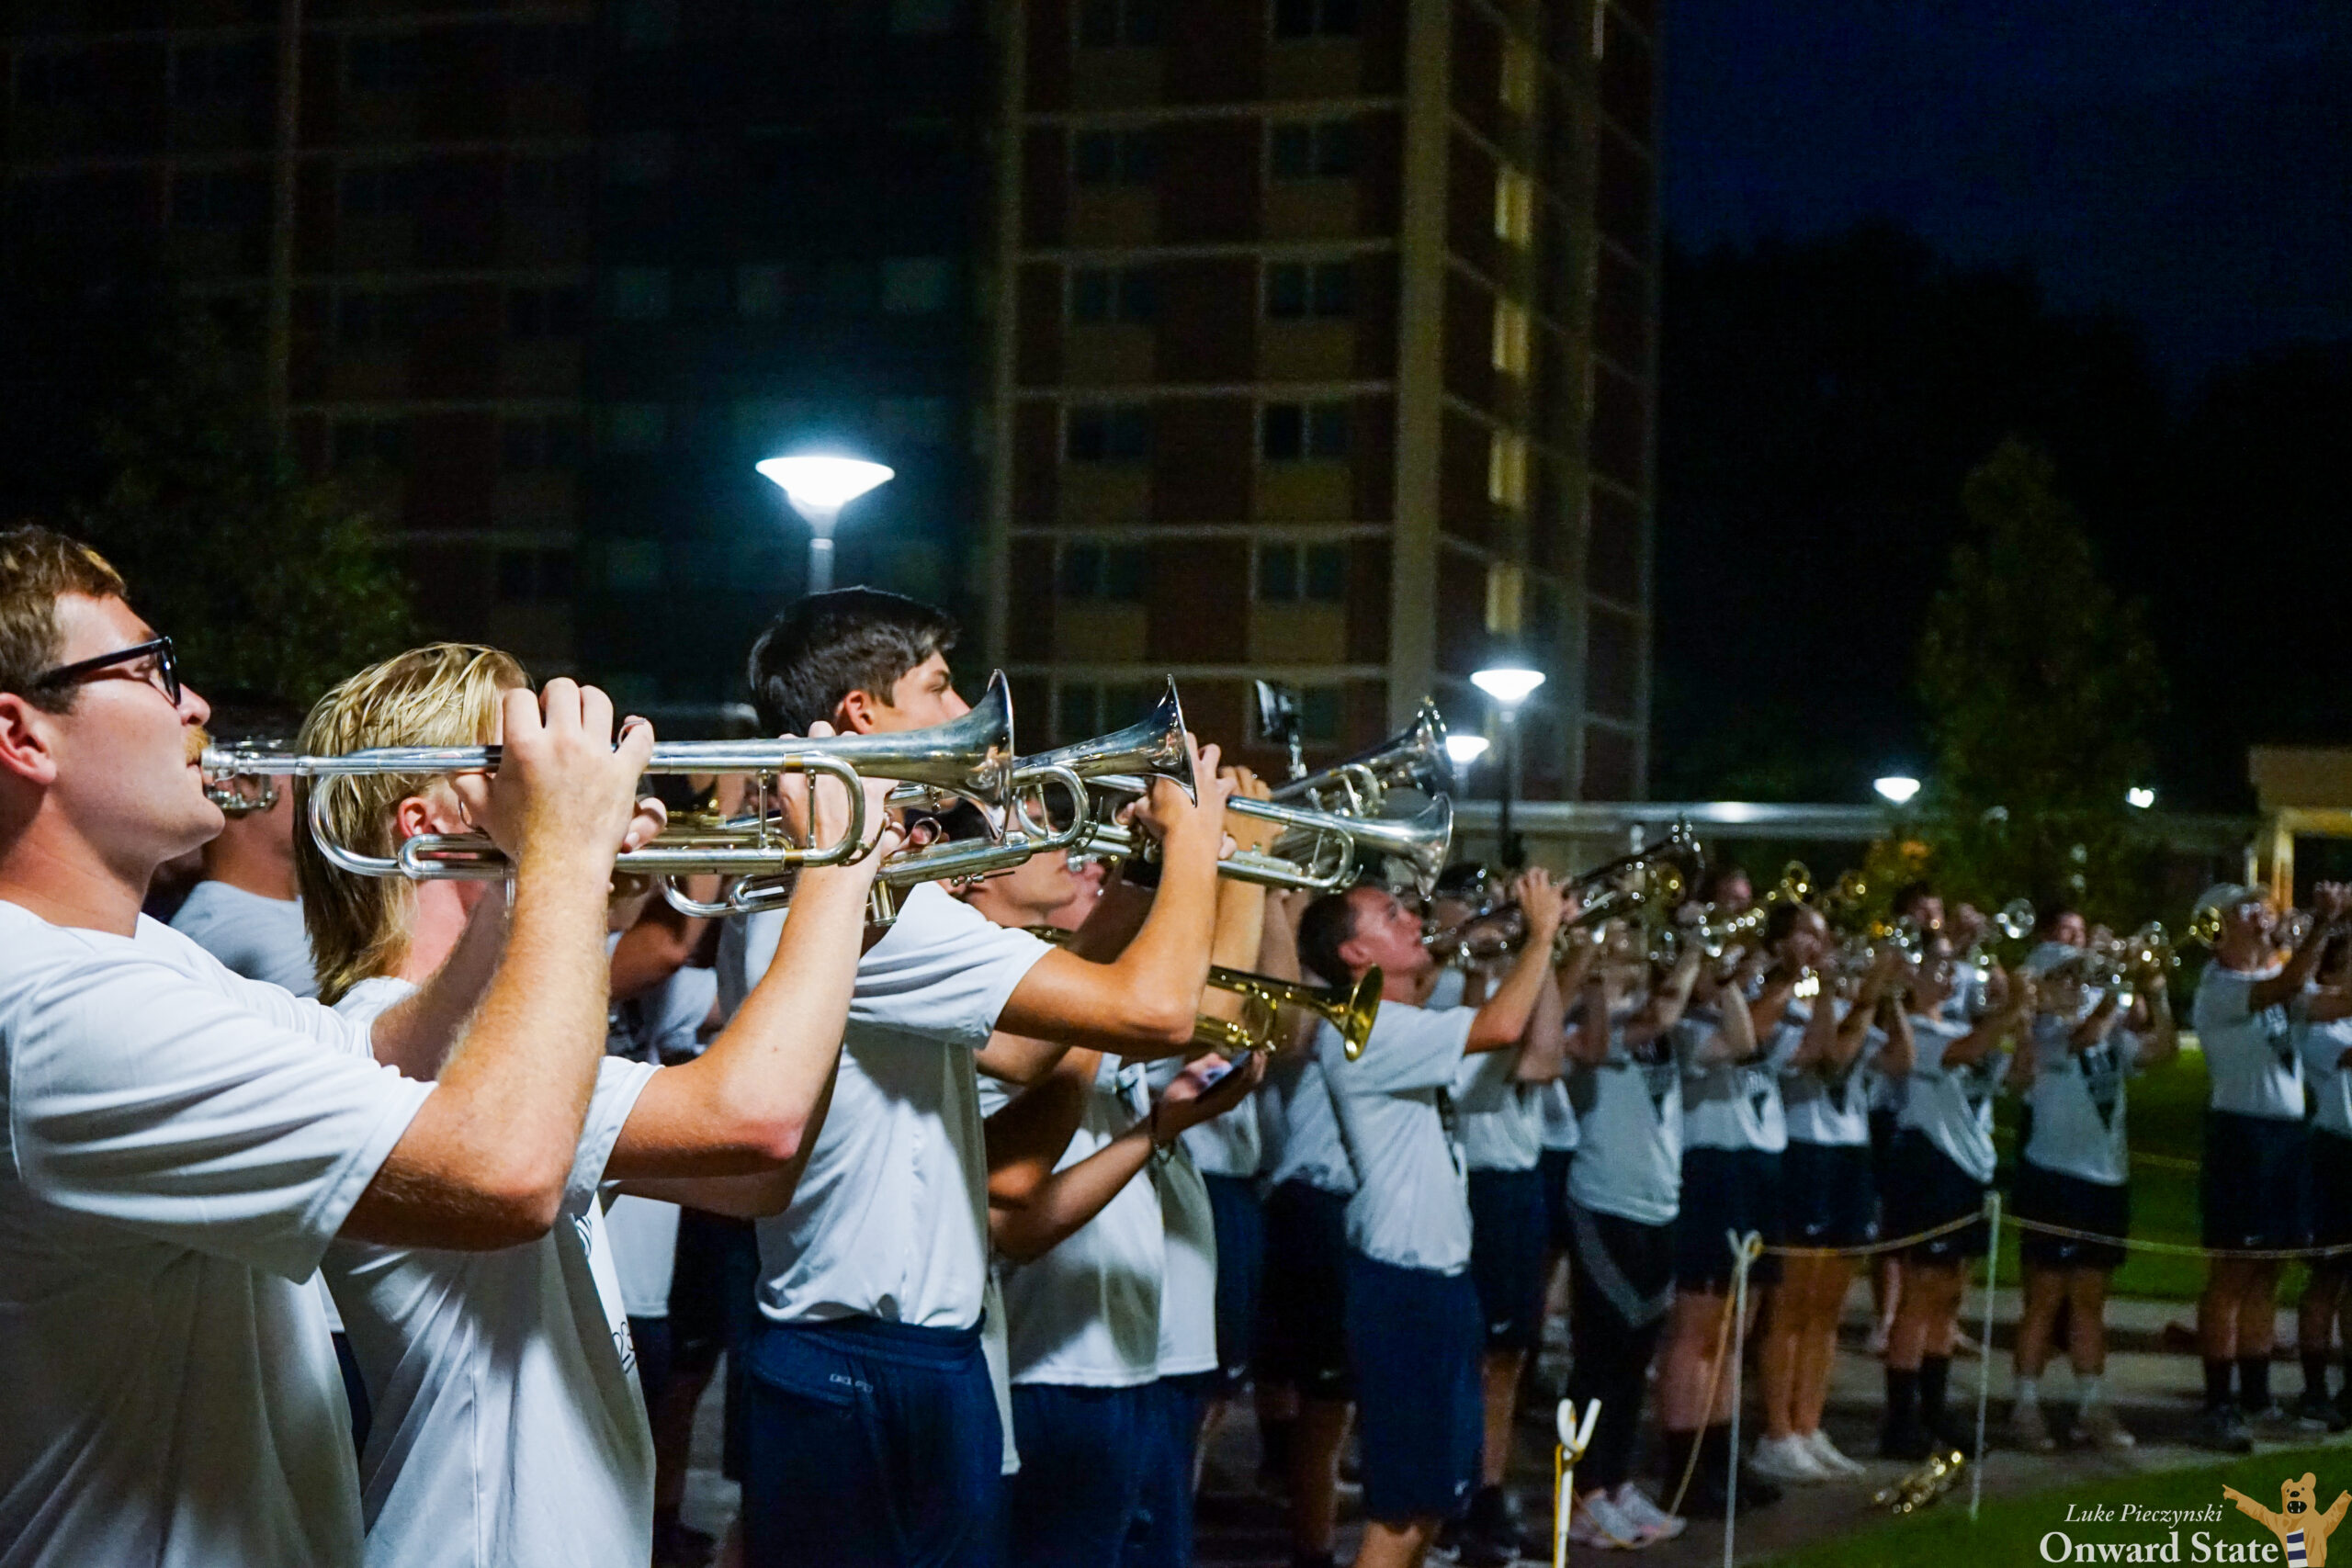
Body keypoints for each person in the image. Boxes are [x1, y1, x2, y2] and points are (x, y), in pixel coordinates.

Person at [0, 525, 659, 1565]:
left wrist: (515, 878)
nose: (194, 705)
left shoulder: (144, 963)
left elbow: (381, 1055)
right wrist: (567, 860)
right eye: (148, 670)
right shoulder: (58, 1009)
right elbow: (505, 1173)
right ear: (23, 734)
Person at [296, 642, 894, 1568]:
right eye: (521, 762)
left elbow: (752, 1180)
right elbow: (754, 1119)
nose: (563, 776)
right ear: (424, 824)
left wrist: (842, 925)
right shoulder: (407, 1044)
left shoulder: (502, 1032)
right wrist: (839, 868)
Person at [726, 588, 1237, 1568]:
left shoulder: (859, 887)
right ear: (861, 714)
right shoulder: (856, 903)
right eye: (939, 686)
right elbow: (1160, 1013)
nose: (967, 712)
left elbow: (1023, 1051)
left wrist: (1132, 882)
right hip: (867, 1354)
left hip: (913, 1348)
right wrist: (1194, 847)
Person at [1295, 869, 1566, 1568]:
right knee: (1400, 1512)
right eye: (1392, 915)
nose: (1415, 919)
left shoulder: (1407, 1029)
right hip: (1403, 1287)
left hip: (1438, 1282)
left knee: (1429, 1508)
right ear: (1355, 953)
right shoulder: (1363, 1029)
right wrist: (1539, 935)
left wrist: (1527, 950)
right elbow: (1501, 1023)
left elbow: (1530, 1051)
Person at [2006, 938, 2177, 1452]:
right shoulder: (2042, 1033)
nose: (2076, 983)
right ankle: (2025, 1405)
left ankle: (2092, 1404)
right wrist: (2115, 994)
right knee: (2044, 1299)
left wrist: (2157, 994)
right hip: (2055, 1179)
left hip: (2105, 1180)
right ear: (2040, 986)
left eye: (2079, 974)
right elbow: (2083, 1038)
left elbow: (2162, 1051)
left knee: (2089, 1300)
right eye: (2063, 975)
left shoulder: (2106, 1029)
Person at [2189, 882, 2345, 1451]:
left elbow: (2331, 1005)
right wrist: (2324, 925)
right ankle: (2218, 1404)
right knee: (2232, 1273)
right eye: (2247, 909)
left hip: (2285, 1136)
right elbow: (2288, 987)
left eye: (2261, 905)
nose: (2263, 914)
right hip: (2243, 1135)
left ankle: (2256, 1400)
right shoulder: (2221, 986)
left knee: (2269, 1271)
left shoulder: (2272, 977)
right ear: (2218, 928)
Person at [1559, 922, 1697, 1549]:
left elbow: (1730, 1038)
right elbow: (1637, 1025)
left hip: (1659, 1205)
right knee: (1599, 1356)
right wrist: (1692, 951)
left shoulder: (1657, 1026)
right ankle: (1580, 1493)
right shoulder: (1591, 1022)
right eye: (1617, 943)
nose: (1632, 953)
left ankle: (1615, 1483)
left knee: (1637, 1355)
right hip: (1605, 1203)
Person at [1754, 908, 1905, 1483]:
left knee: (1827, 1307)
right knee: (1790, 1305)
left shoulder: (1846, 1004)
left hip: (1849, 1153)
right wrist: (1854, 998)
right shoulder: (1785, 1004)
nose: (1820, 944)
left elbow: (1900, 1060)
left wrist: (1885, 996)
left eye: (1824, 934)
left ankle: (1809, 1424)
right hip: (1803, 1152)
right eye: (1806, 934)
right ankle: (1777, 1432)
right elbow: (1830, 1055)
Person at [1879, 933, 2030, 1460]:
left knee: (1950, 1295)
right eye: (1935, 967)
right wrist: (2012, 1008)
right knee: (1921, 1293)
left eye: (1950, 967)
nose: (1948, 975)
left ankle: (1935, 1409)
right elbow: (1967, 1052)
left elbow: (2017, 1077)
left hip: (1969, 1167)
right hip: (1932, 1165)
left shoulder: (1961, 1026)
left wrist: (2023, 1024)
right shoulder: (1915, 1028)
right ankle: (1901, 1421)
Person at [2294, 933, 2352, 1433]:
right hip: (2335, 1155)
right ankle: (2313, 1389)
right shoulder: (2319, 1026)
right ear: (2330, 974)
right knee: (2327, 1278)